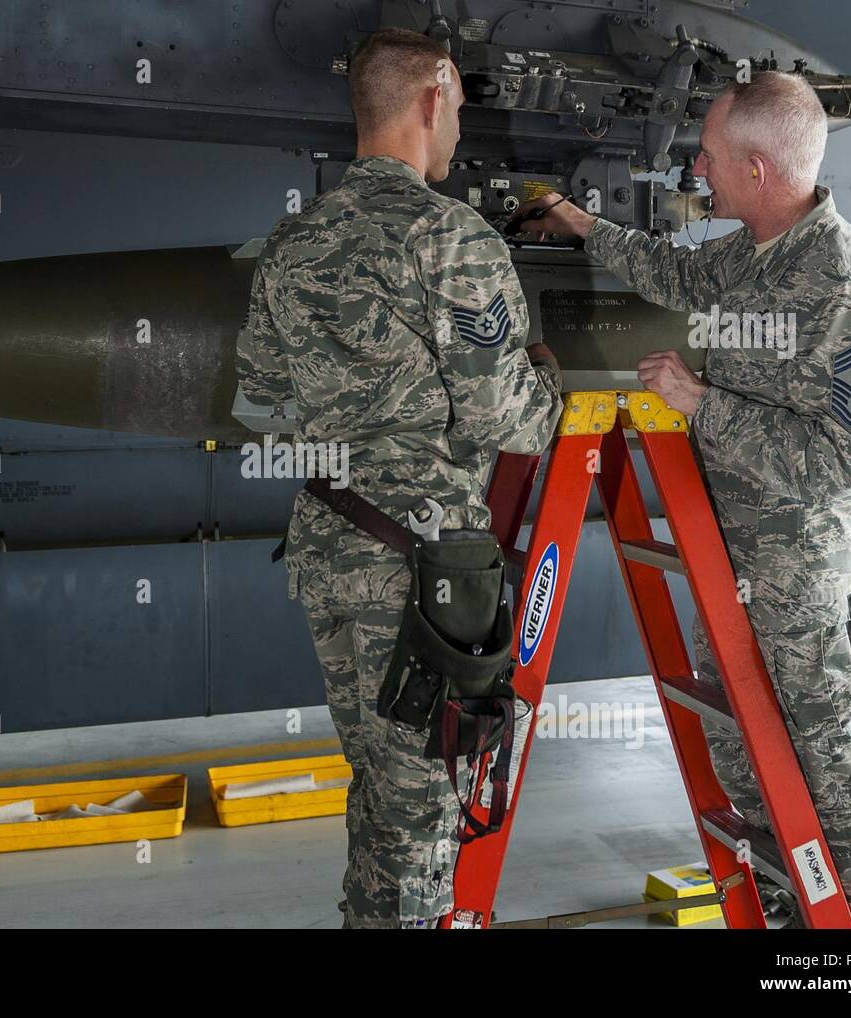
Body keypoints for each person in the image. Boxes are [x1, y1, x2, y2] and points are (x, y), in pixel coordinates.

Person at [520, 71, 851, 927]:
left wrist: (703, 406)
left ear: (759, 171)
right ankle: (777, 899)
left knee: (813, 757)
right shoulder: (757, 250)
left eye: (713, 159)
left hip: (795, 576)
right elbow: (673, 277)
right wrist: (581, 225)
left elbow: (837, 463)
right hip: (732, 561)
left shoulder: (839, 280)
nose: (700, 174)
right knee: (737, 740)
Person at [234, 27, 561, 928]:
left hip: (331, 553)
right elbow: (513, 421)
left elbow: (261, 405)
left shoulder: (291, 244)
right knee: (423, 817)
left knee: (379, 790)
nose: (457, 128)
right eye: (457, 107)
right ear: (431, 97)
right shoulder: (452, 238)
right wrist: (546, 374)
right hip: (418, 579)